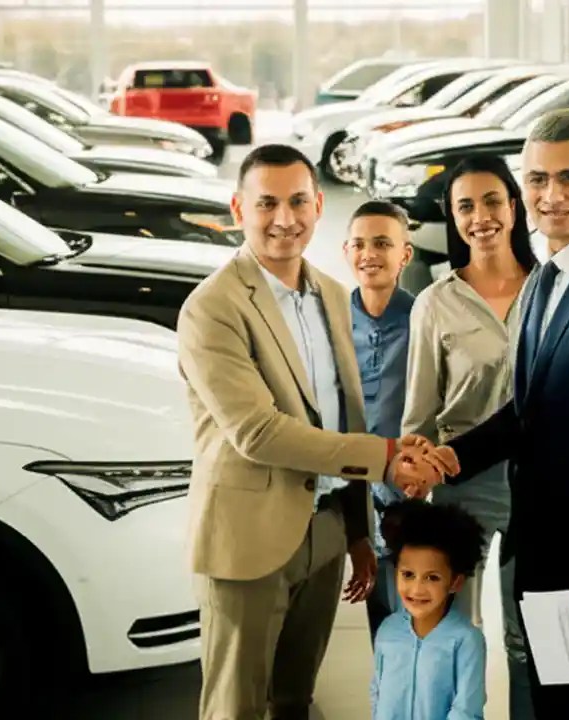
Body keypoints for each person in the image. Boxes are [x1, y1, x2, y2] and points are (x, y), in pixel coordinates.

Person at [398, 109, 569, 717]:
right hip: (542, 537)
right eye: (539, 180)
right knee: (556, 699)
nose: (553, 196)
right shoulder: (549, 277)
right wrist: (456, 455)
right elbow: (530, 408)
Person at [176, 143, 456, 720]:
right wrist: (383, 457)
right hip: (249, 542)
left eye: (298, 201)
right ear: (238, 207)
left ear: (319, 204)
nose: (285, 218)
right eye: (267, 203)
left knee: (295, 701)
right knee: (236, 707)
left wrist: (355, 531)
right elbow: (257, 432)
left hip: (325, 535)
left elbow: (343, 412)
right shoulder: (214, 308)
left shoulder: (331, 292)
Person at [400, 153, 537, 719]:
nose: (480, 217)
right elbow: (419, 413)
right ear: (452, 219)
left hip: (539, 485)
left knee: (527, 633)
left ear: (513, 205)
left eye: (491, 201)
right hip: (463, 484)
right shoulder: (436, 302)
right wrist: (413, 472)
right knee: (460, 632)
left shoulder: (551, 289)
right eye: (465, 206)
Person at [342, 199, 416, 641]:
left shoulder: (425, 317)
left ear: (405, 254)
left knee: (416, 613)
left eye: (383, 243)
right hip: (349, 489)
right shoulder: (331, 318)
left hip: (410, 493)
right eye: (360, 244)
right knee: (379, 618)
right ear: (346, 251)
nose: (369, 254)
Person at [369, 499, 488, 720]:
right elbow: (377, 693)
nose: (416, 589)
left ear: (455, 583)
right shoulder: (388, 630)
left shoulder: (466, 640)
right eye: (408, 575)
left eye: (432, 577)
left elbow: (467, 710)